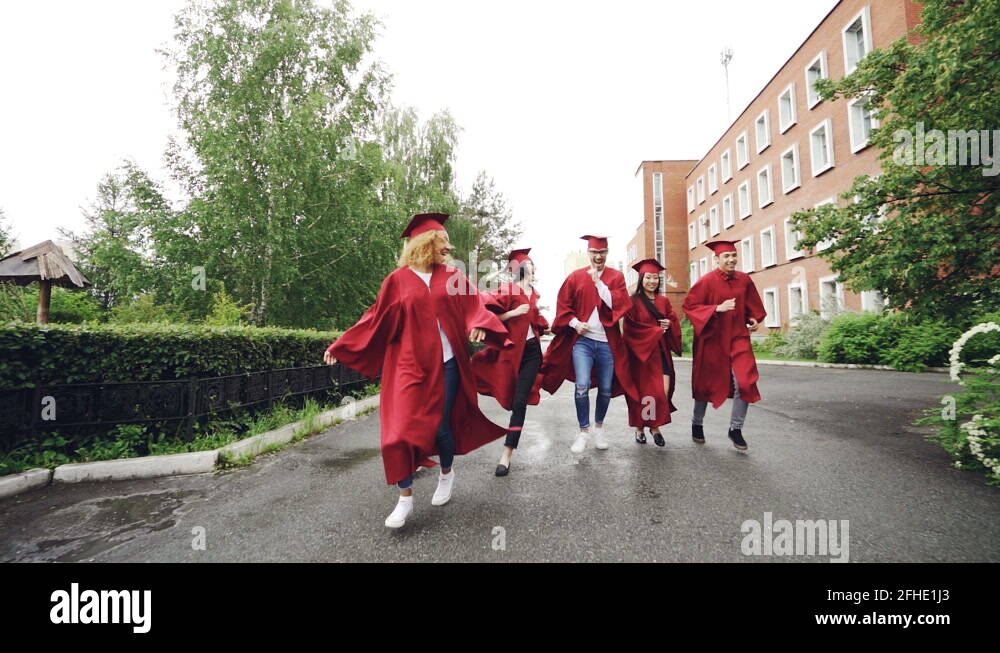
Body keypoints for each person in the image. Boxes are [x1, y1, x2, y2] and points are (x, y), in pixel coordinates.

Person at [323, 213, 512, 528]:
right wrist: (342, 346)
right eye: (442, 244)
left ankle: (447, 473)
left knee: (441, 428)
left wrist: (479, 324)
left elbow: (475, 306)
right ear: (426, 244)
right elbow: (375, 318)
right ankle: (404, 499)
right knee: (397, 434)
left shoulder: (452, 276)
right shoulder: (397, 281)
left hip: (448, 364)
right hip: (409, 367)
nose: (447, 250)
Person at [539, 235, 637, 454]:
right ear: (589, 253)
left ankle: (599, 428)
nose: (598, 256)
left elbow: (619, 304)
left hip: (607, 343)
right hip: (582, 342)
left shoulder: (617, 277)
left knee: (605, 388)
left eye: (602, 252)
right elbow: (564, 306)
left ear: (607, 253)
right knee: (581, 385)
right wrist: (575, 324)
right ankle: (584, 431)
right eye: (594, 252)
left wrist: (599, 283)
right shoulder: (575, 277)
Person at [682, 240, 767, 451]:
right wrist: (716, 308)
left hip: (738, 338)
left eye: (733, 255)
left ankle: (735, 429)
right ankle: (697, 423)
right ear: (717, 259)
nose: (731, 259)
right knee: (705, 384)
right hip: (713, 340)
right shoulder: (706, 282)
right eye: (726, 256)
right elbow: (690, 306)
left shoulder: (744, 280)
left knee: (746, 383)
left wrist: (753, 318)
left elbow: (751, 306)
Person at [471, 249, 549, 477]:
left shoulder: (534, 293)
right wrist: (513, 313)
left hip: (532, 353)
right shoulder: (508, 290)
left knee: (520, 401)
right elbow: (489, 313)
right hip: (513, 352)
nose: (534, 269)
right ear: (522, 269)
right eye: (530, 266)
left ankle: (507, 452)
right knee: (512, 399)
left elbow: (535, 321)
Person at [622, 259, 682, 447]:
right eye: (648, 277)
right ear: (641, 279)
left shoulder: (663, 301)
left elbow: (672, 319)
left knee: (660, 393)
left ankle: (653, 425)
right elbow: (631, 328)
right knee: (643, 394)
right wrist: (655, 331)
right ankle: (642, 428)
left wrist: (670, 324)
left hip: (661, 352)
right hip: (641, 354)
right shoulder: (633, 302)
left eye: (656, 278)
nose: (652, 281)